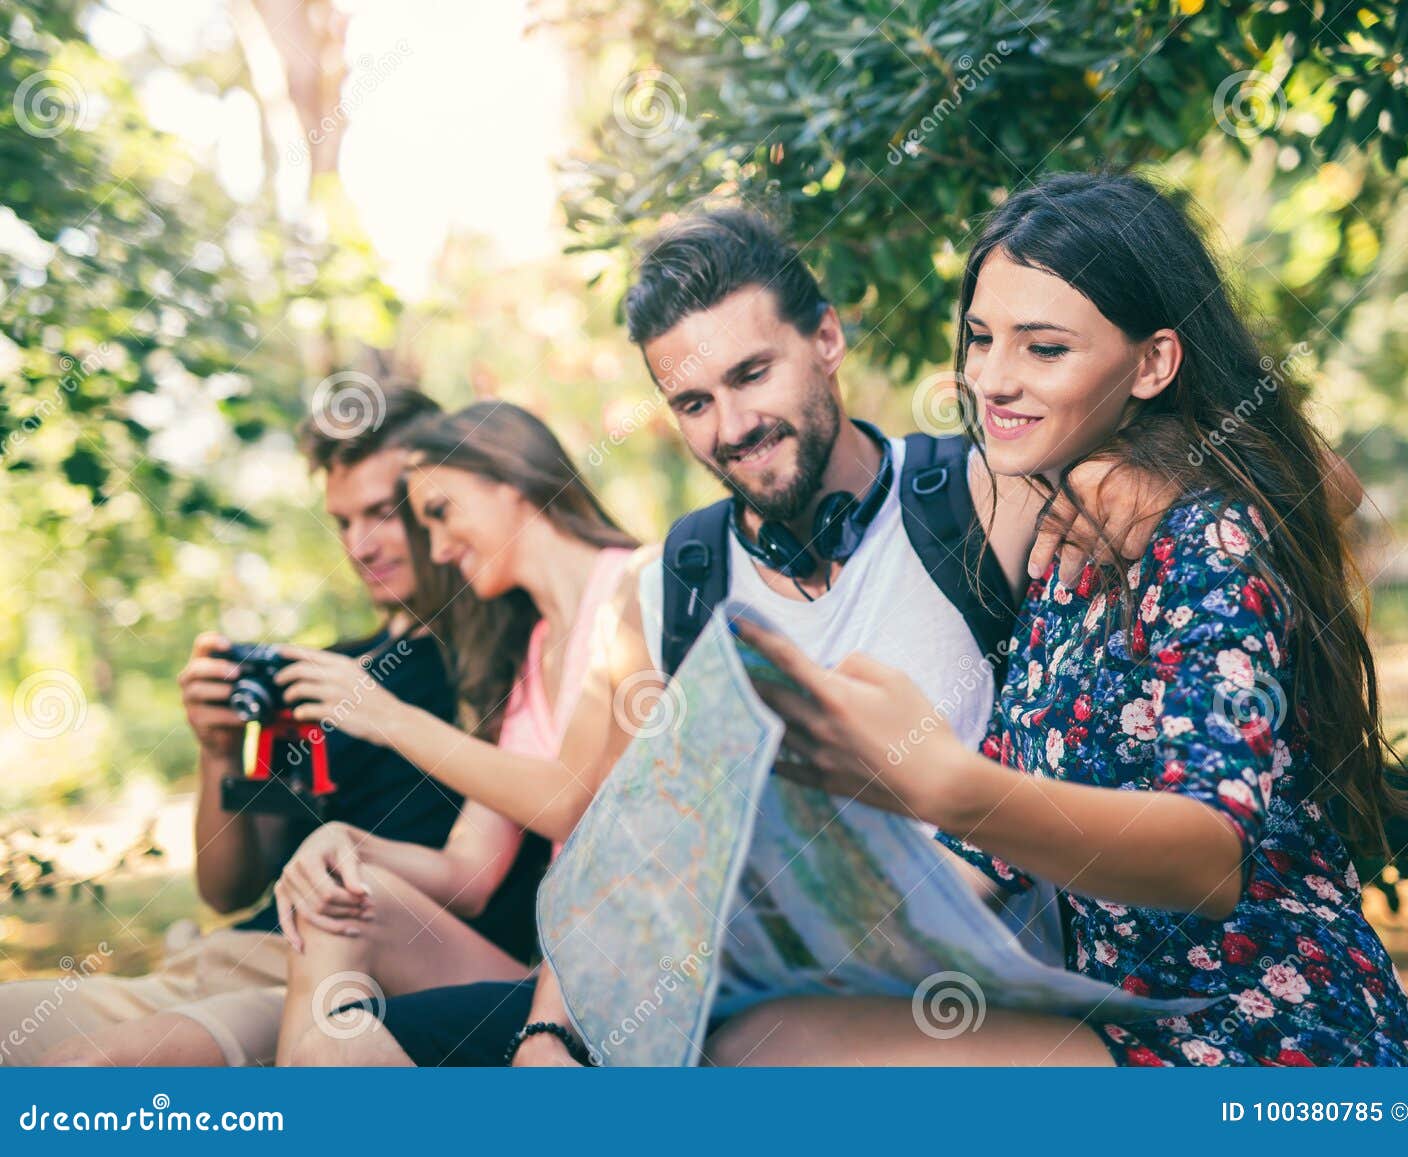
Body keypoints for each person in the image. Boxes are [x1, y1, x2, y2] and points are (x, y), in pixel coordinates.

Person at [315, 206, 1292, 1068]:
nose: (733, 425)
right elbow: (606, 849)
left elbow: (1290, 484)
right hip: (747, 1014)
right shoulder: (662, 592)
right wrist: (549, 1035)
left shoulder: (988, 492)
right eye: (694, 402)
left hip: (988, 1021)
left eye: (753, 373)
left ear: (825, 337)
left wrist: (1131, 479)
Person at [719, 172, 1408, 1067]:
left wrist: (944, 782)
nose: (990, 378)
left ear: (1153, 362)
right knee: (759, 1034)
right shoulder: (1069, 543)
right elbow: (989, 857)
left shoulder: (1203, 532)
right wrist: (791, 924)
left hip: (1268, 1044)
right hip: (1128, 1031)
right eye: (980, 338)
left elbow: (1208, 860)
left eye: (1044, 348)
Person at [0, 386, 540, 1067]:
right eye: (342, 521)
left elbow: (480, 871)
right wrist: (219, 751)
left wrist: (382, 715)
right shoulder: (329, 669)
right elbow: (228, 887)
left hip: (347, 968)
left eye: (382, 513)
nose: (360, 544)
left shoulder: (500, 655)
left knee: (92, 1072)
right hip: (222, 954)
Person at [273, 401, 649, 1068]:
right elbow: (469, 871)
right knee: (334, 903)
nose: (439, 548)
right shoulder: (534, 647)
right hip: (554, 973)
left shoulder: (634, 587)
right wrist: (346, 842)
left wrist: (387, 716)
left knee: (341, 1049)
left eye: (441, 513)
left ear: (511, 477)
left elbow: (565, 798)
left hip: (625, 967)